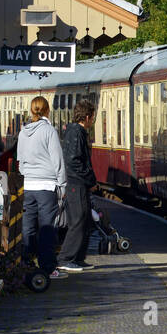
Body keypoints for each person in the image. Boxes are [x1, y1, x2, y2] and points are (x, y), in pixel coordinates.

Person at [16, 96, 66, 279]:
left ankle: (26, 264)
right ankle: (48, 267)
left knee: (28, 226)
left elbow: (20, 161)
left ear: (31, 111)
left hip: (29, 185)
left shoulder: (23, 132)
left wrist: (27, 174)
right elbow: (57, 160)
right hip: (46, 186)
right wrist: (62, 184)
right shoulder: (49, 131)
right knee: (47, 228)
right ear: (47, 110)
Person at [58, 98, 98, 271]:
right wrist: (90, 180)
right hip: (77, 184)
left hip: (79, 183)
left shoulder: (75, 132)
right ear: (87, 117)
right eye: (93, 117)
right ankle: (66, 259)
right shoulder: (76, 133)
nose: (93, 121)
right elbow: (74, 161)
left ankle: (79, 257)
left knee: (86, 220)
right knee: (78, 220)